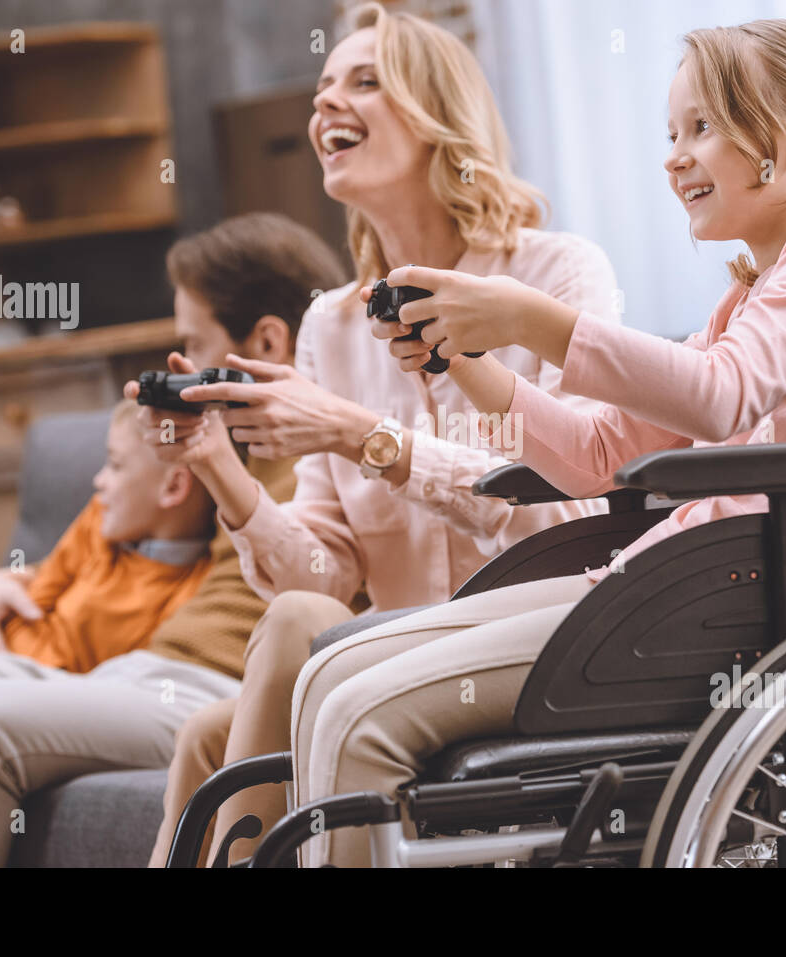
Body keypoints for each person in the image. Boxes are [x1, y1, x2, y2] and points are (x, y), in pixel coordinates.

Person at [289, 17, 786, 866]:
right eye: (671, 134)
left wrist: (536, 319)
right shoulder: (751, 295)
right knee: (328, 673)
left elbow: (722, 398)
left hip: (749, 596)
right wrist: (468, 359)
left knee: (356, 712)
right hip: (696, 580)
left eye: (701, 128)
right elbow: (597, 456)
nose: (675, 156)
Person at [144, 2, 622, 867]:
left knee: (266, 680)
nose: (328, 103)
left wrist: (369, 437)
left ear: (440, 118)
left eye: (365, 82)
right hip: (387, 653)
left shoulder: (553, 275)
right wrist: (222, 469)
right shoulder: (330, 324)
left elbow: (575, 501)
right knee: (217, 721)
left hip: (533, 645)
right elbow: (327, 576)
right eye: (323, 86)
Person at [0, 211, 346, 866]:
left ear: (267, 341)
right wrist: (10, 577)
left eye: (193, 341)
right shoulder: (232, 443)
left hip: (213, 689)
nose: (181, 369)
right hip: (134, 671)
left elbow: (327, 587)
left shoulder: (329, 446)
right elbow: (121, 527)